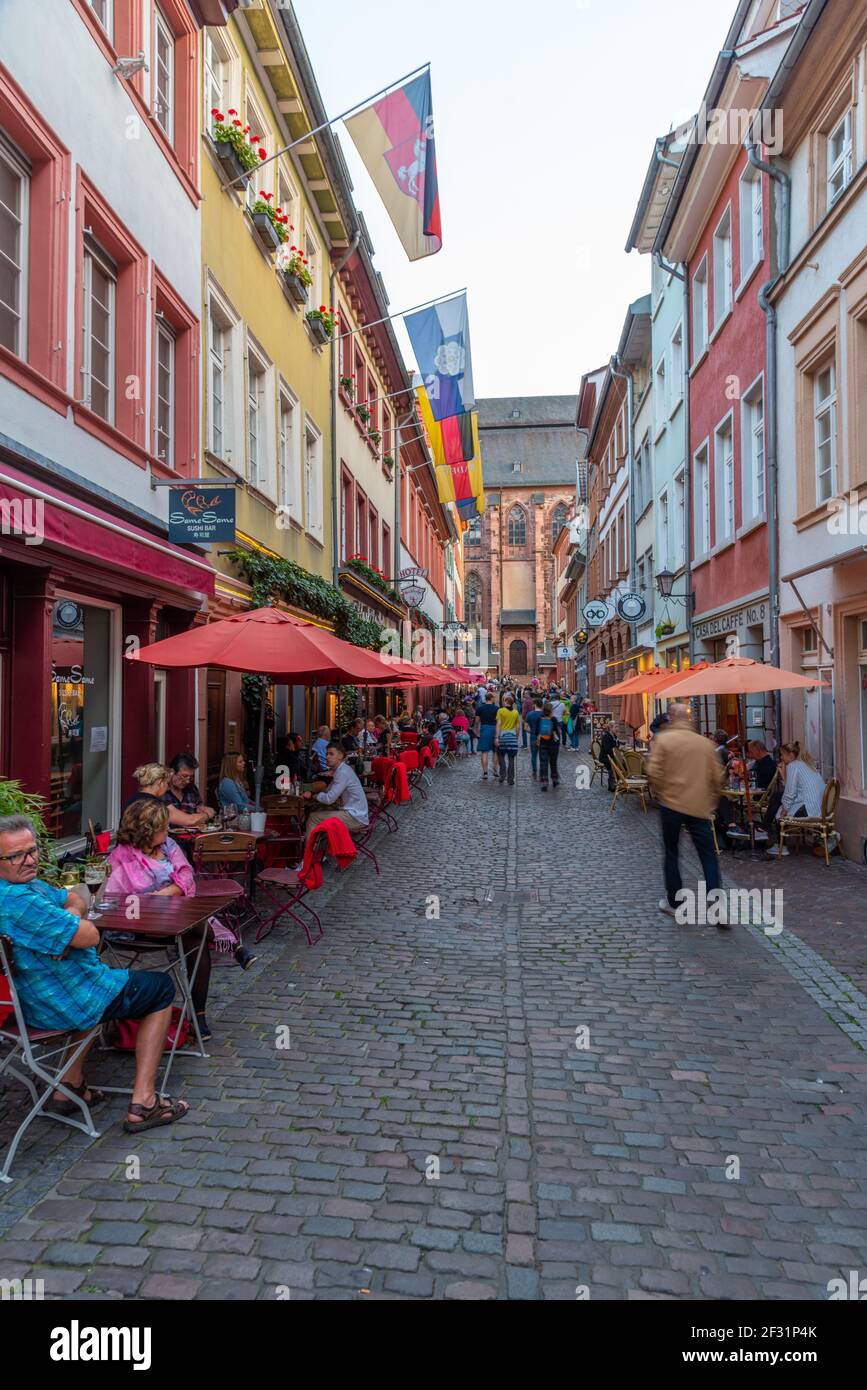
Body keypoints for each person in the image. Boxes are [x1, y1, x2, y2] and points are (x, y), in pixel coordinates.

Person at [0, 813, 189, 1133]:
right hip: (60, 1001)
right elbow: (91, 936)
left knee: (105, 984)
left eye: (32, 851)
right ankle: (144, 1101)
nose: (28, 860)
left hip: (51, 991)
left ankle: (68, 1087)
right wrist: (76, 928)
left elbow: (73, 898)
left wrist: (71, 920)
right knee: (160, 987)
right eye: (15, 855)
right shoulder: (16, 901)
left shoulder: (26, 886)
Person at [107, 800, 256, 1042]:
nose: (168, 832)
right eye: (163, 828)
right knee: (192, 921)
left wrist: (165, 894)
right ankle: (233, 947)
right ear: (147, 831)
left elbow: (187, 875)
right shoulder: (122, 857)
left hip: (177, 919)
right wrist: (158, 899)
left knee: (194, 939)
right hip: (140, 925)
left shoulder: (167, 845)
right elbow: (121, 900)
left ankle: (198, 1017)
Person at [646, 703, 726, 923]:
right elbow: (718, 778)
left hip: (671, 805)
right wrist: (711, 801)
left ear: (671, 717)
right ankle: (717, 906)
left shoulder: (663, 740)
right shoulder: (704, 744)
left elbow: (653, 771)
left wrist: (663, 792)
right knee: (708, 856)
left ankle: (675, 902)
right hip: (699, 806)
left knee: (672, 853)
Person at [766, 741, 827, 858]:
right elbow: (793, 787)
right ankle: (766, 830)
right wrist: (784, 774)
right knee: (778, 799)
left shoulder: (793, 765)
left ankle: (780, 845)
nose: (781, 758)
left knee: (779, 810)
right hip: (819, 808)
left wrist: (785, 808)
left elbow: (790, 792)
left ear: (790, 755)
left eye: (782, 755)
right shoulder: (807, 765)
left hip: (808, 809)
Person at [303, 744, 370, 837]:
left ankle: (309, 850)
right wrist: (313, 792)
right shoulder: (341, 769)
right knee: (318, 809)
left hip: (356, 817)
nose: (327, 757)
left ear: (340, 756)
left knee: (313, 817)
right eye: (326, 754)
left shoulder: (342, 772)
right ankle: (322, 844)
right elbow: (329, 790)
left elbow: (329, 799)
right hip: (356, 812)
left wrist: (313, 796)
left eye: (331, 754)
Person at [163, 754, 216, 831]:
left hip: (191, 837)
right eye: (184, 776)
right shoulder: (162, 792)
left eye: (190, 777)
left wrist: (201, 809)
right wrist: (208, 814)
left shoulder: (191, 789)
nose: (187, 781)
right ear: (172, 772)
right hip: (168, 839)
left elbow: (198, 807)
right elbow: (186, 820)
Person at [495, 692, 521, 787]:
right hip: (512, 737)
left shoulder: (500, 711)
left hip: (503, 737)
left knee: (501, 757)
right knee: (511, 760)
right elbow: (518, 727)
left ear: (505, 702)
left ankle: (502, 775)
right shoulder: (515, 712)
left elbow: (498, 725)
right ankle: (510, 779)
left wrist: (497, 737)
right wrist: (516, 737)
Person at [537, 702, 561, 791]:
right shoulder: (553, 719)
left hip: (543, 743)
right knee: (553, 762)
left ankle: (544, 782)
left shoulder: (540, 719)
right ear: (551, 710)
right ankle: (554, 780)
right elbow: (557, 732)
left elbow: (536, 731)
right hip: (553, 744)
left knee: (543, 763)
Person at [475, 691, 499, 781]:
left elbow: (477, 721)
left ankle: (485, 773)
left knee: (484, 752)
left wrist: (477, 731)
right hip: (494, 729)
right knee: (495, 752)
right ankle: (495, 770)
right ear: (492, 698)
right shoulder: (497, 708)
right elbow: (499, 722)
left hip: (484, 729)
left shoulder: (480, 708)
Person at [599, 720, 619, 793]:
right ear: (610, 728)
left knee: (622, 762)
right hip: (605, 757)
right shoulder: (606, 736)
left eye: (617, 727)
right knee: (613, 764)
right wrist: (616, 749)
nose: (617, 729)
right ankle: (612, 786)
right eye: (615, 727)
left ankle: (619, 782)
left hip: (612, 756)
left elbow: (616, 746)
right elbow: (608, 750)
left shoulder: (614, 736)